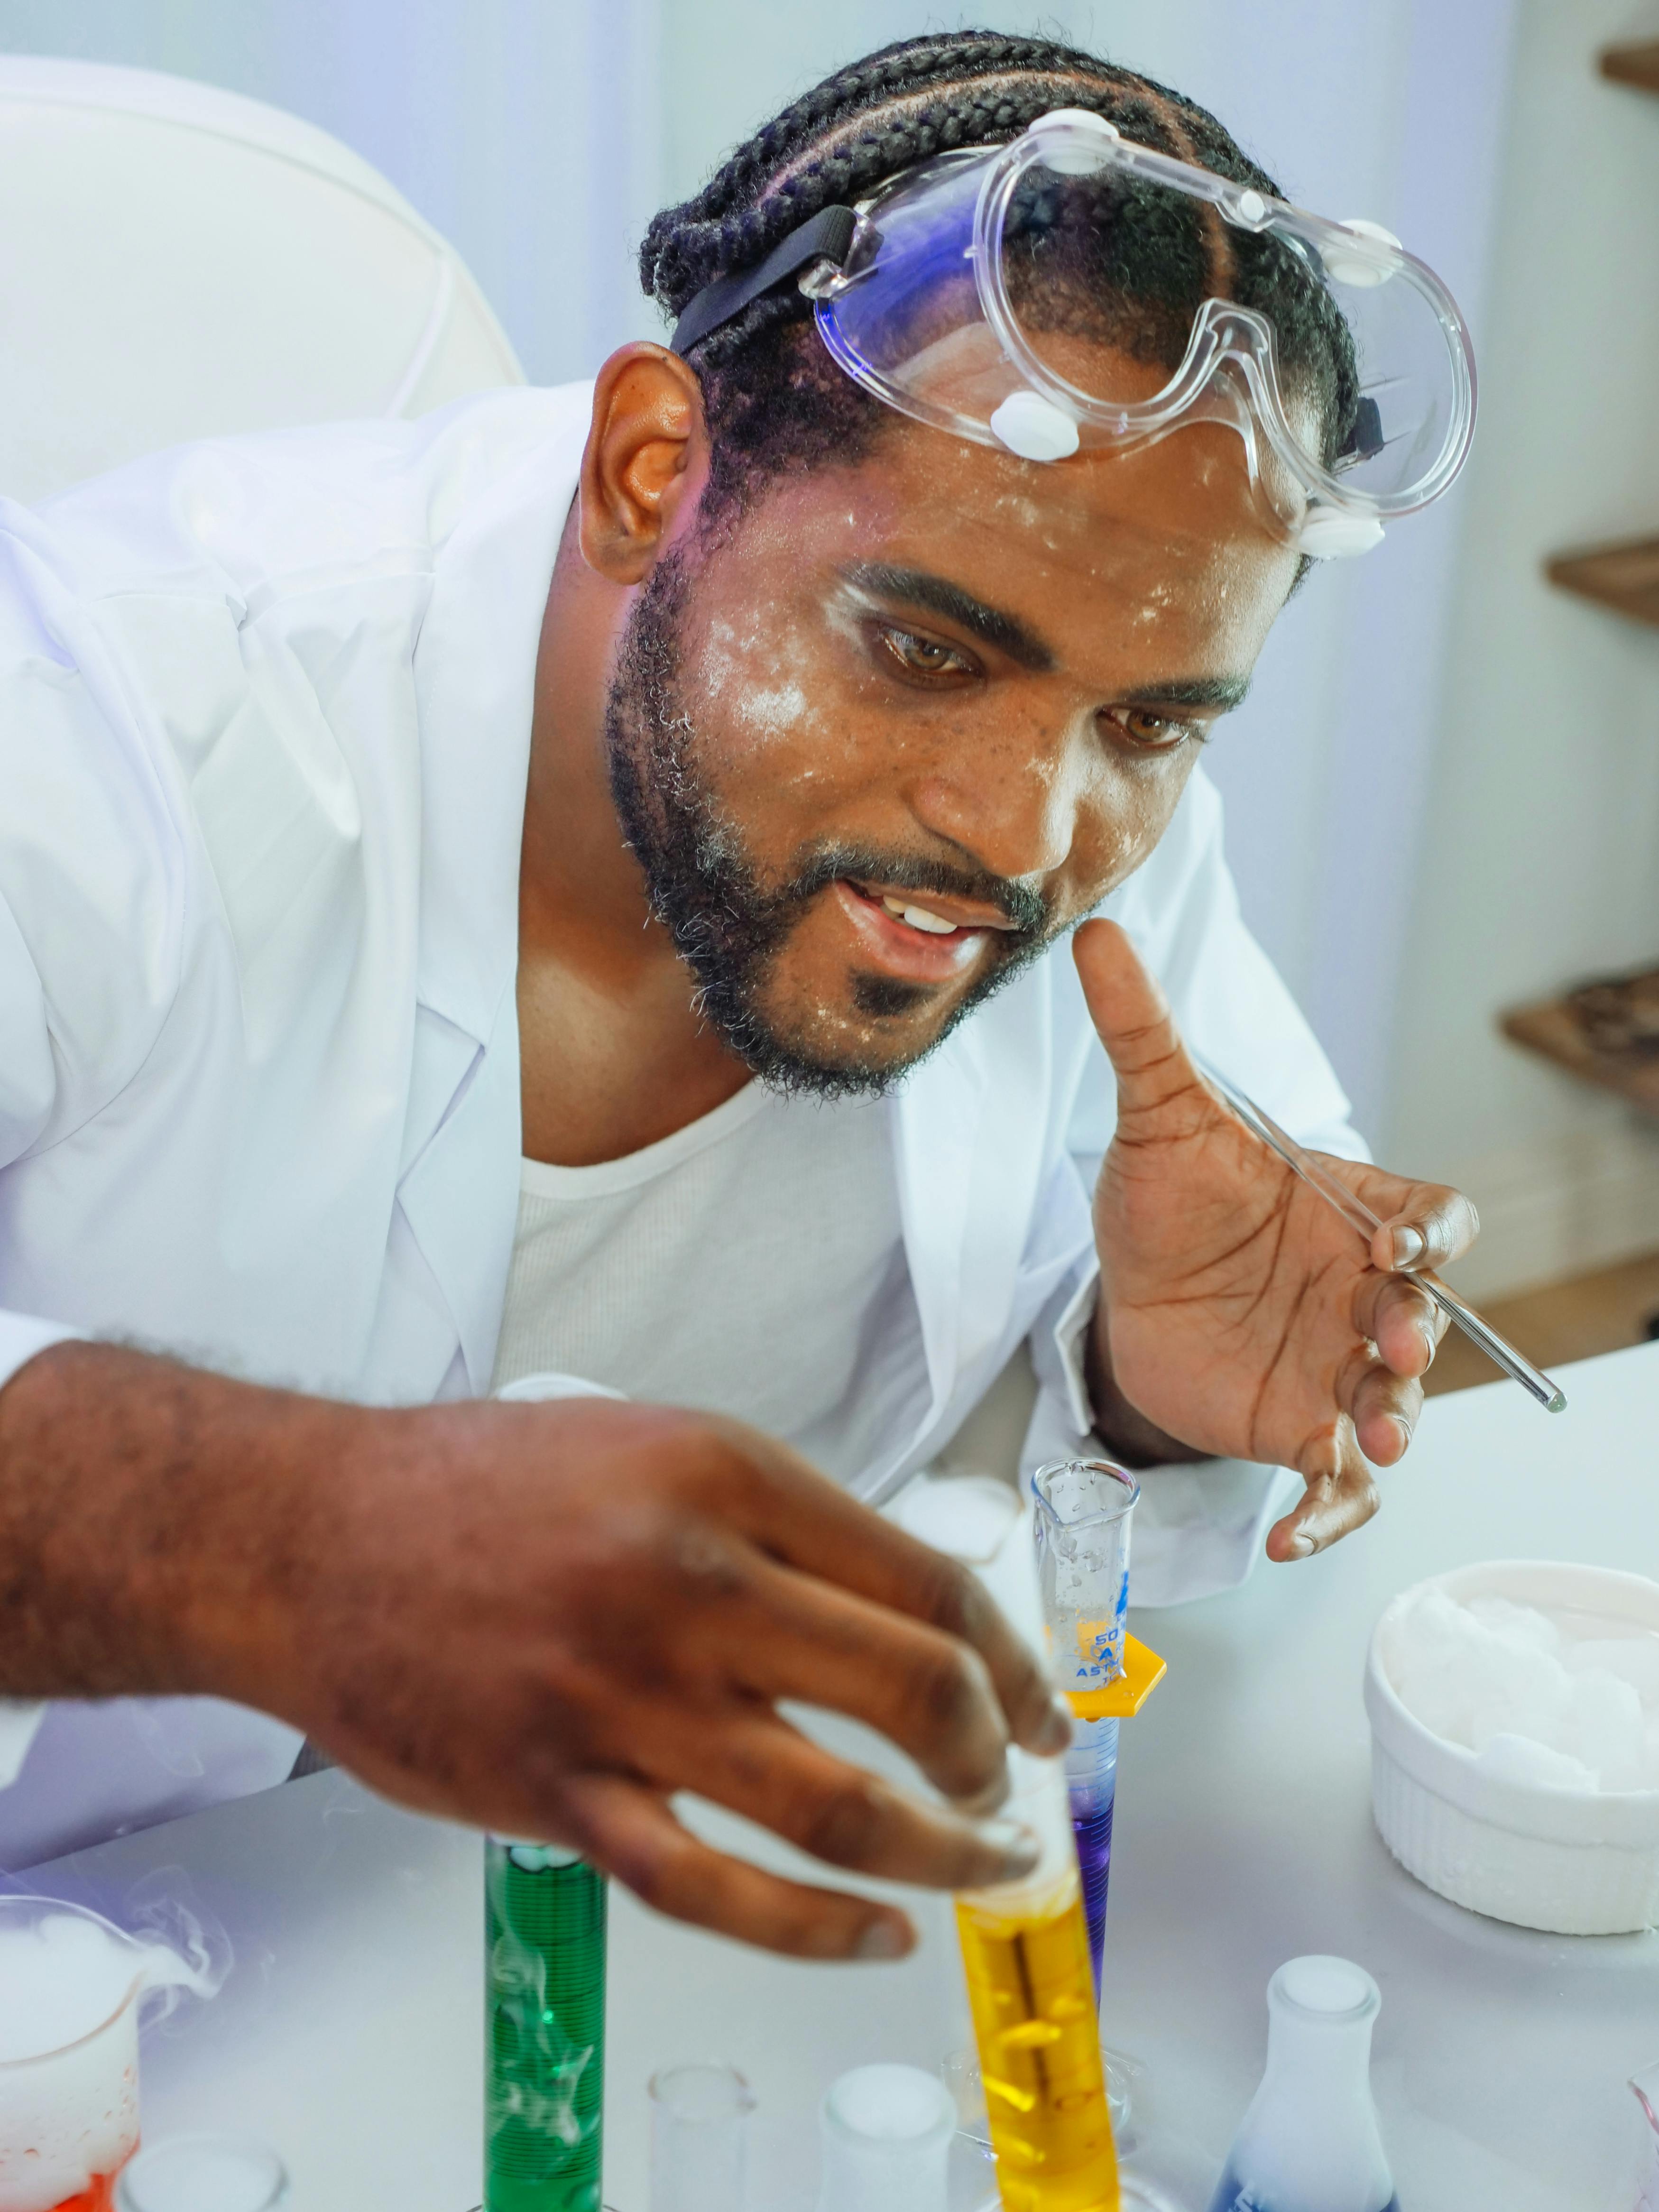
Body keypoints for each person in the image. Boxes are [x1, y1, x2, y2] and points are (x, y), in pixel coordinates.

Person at [0, 32, 1478, 1955]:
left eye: (1151, 721)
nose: (1020, 832)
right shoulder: (112, 717)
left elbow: (1104, 1422)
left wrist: (1137, 1385)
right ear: (651, 469)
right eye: (926, 653)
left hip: (692, 1941)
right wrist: (303, 1545)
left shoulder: (1074, 797)